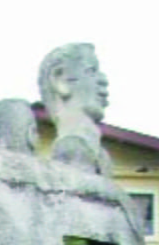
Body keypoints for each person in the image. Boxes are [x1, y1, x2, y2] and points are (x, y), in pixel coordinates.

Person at [37, 43, 113, 177]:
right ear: (60, 80)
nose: (103, 80)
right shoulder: (72, 146)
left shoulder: (96, 151)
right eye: (91, 71)